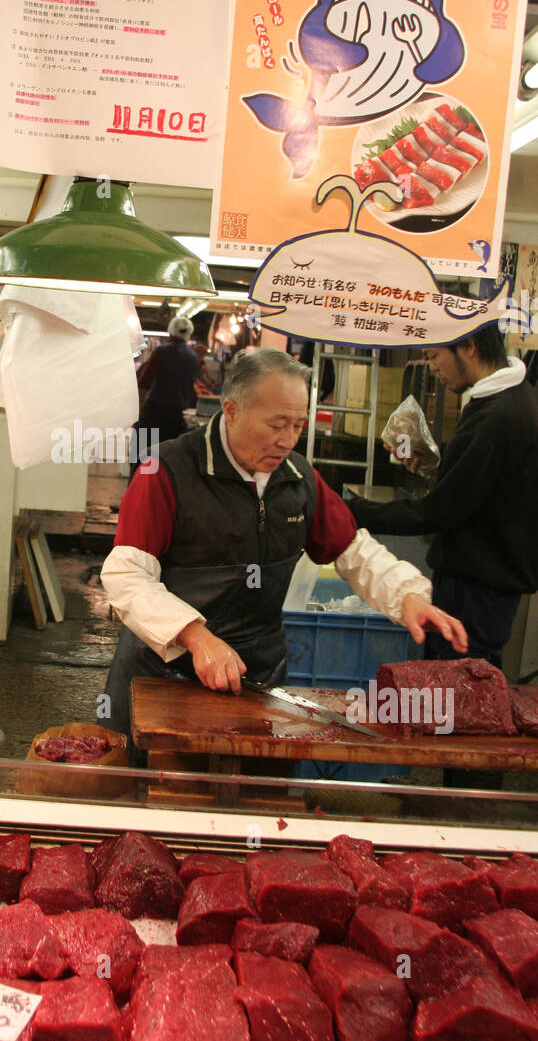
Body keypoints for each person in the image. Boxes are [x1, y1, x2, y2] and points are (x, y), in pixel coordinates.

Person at [101, 348, 467, 751]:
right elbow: (126, 575)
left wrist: (408, 596)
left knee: (255, 794)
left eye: (298, 425)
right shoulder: (167, 470)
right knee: (152, 795)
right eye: (277, 424)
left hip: (255, 678)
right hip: (162, 674)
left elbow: (353, 550)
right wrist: (195, 636)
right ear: (232, 410)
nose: (288, 440)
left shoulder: (298, 478)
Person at [347, 325, 538, 668]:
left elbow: (436, 513)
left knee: (459, 694)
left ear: (467, 345)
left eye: (435, 356)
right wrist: (435, 469)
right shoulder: (502, 400)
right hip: (476, 584)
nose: (433, 367)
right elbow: (485, 489)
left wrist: (351, 510)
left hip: (477, 592)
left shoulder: (499, 416)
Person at [130, 315, 200, 476]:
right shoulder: (193, 358)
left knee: (141, 459)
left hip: (154, 414)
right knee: (166, 463)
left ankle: (136, 492)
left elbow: (144, 382)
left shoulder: (161, 351)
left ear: (170, 330)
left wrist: (140, 410)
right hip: (175, 418)